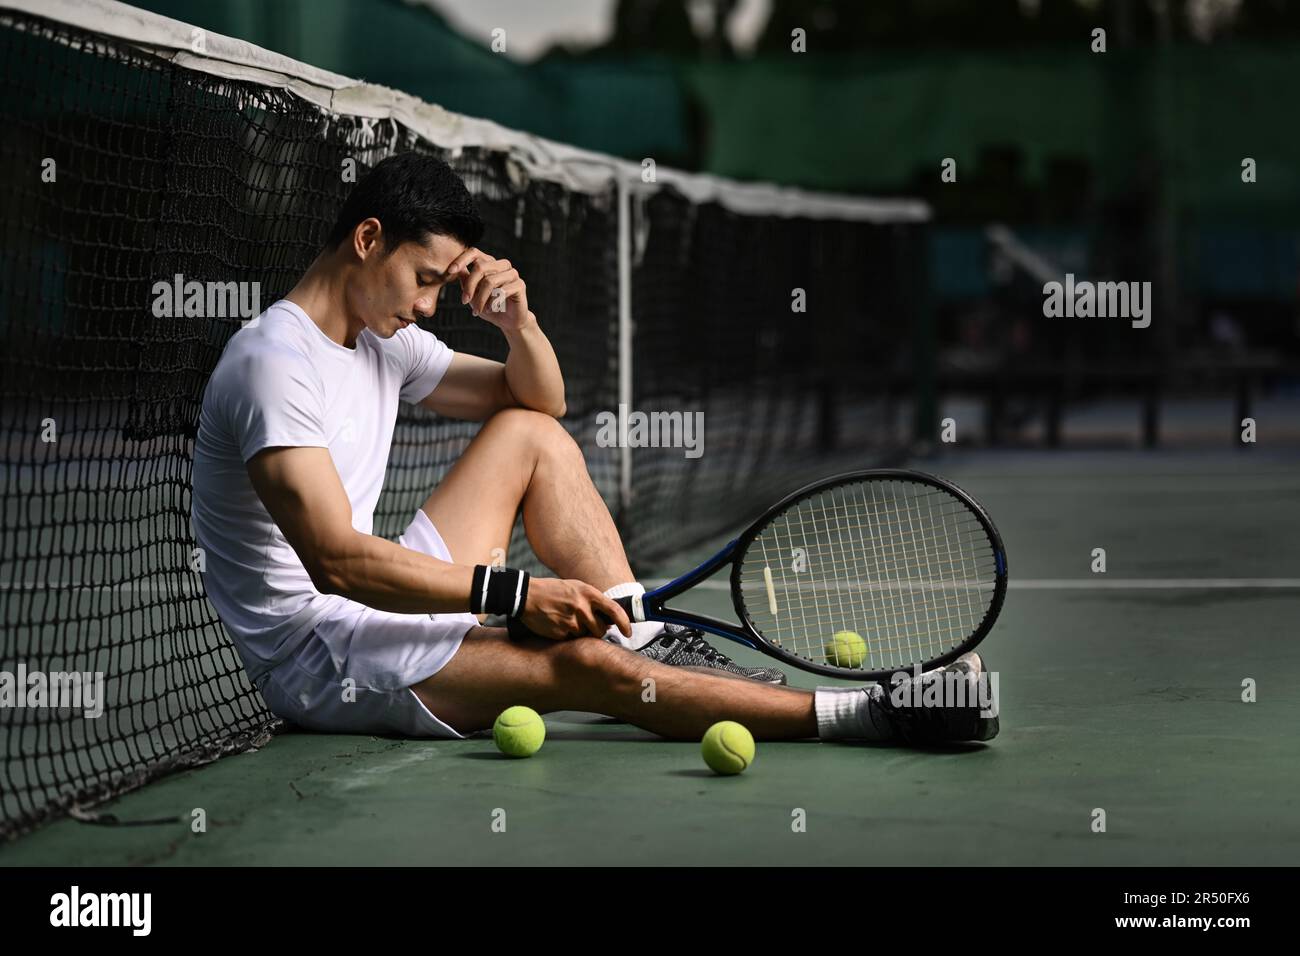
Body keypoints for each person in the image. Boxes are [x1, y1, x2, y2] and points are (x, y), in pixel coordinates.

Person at [192, 152, 997, 746]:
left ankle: (645, 633)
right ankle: (873, 714)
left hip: (372, 600)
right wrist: (514, 597)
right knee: (587, 669)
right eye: (427, 280)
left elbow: (540, 405)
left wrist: (518, 323)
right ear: (368, 239)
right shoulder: (273, 366)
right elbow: (337, 563)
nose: (432, 307)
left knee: (529, 439)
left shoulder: (378, 340)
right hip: (317, 653)